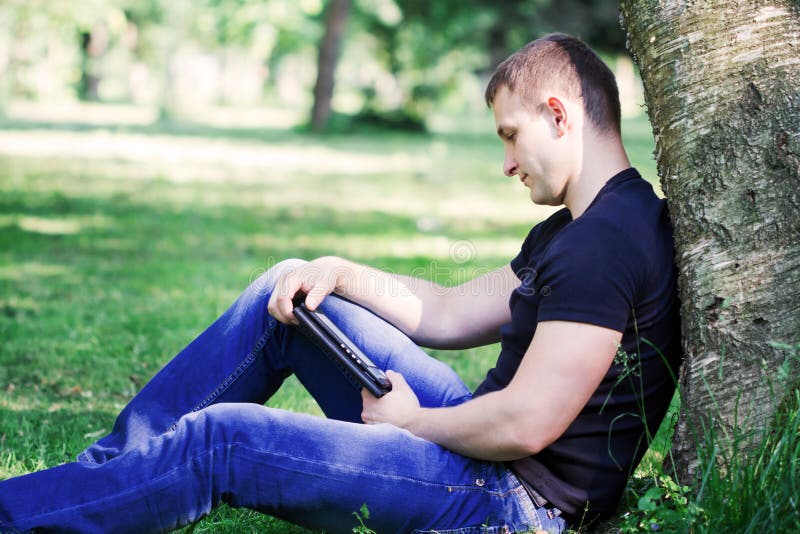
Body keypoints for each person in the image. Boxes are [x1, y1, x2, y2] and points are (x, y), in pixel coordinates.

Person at [0, 33, 680, 533]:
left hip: (506, 503)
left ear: (561, 114)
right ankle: (103, 480)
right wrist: (338, 272)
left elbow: (527, 422)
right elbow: (447, 310)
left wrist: (417, 422)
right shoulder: (581, 229)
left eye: (510, 134)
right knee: (289, 296)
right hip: (485, 463)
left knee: (222, 442)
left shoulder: (605, 245)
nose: (506, 163)